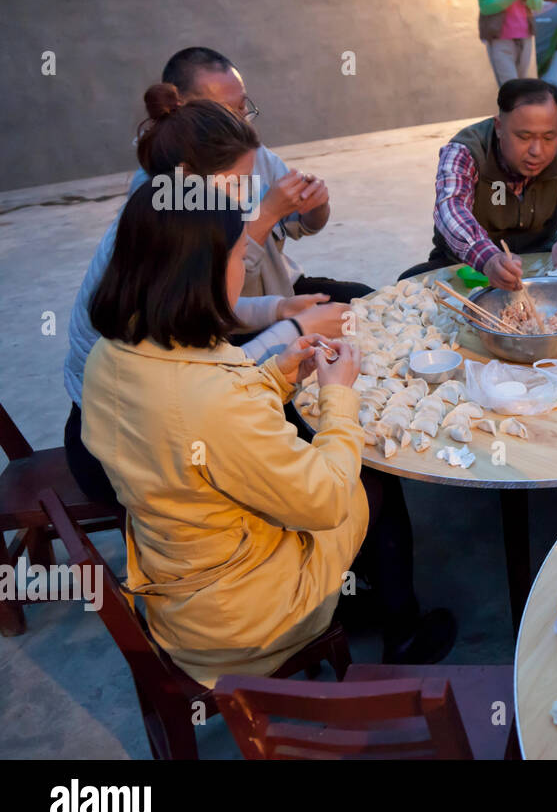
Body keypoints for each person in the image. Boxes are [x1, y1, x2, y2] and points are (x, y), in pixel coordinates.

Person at [80, 85, 454, 682]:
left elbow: (196, 423)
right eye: (237, 257)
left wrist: (276, 376)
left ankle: (363, 598)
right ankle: (383, 622)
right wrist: (339, 396)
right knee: (368, 483)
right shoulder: (210, 402)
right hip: (243, 622)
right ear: (199, 276)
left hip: (179, 588)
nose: (243, 268)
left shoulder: (113, 354)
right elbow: (323, 499)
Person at [64, 82, 349, 504]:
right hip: (136, 454)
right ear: (187, 176)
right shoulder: (169, 240)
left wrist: (279, 310)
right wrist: (292, 331)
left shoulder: (174, 221)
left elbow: (212, 323)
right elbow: (209, 391)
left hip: (144, 425)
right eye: (236, 185)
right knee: (344, 479)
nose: (246, 197)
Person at [159, 47, 372, 303]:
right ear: (182, 110)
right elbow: (213, 297)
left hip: (276, 290)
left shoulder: (251, 152)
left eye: (242, 107)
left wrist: (315, 205)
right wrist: (268, 212)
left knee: (366, 302)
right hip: (218, 314)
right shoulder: (164, 184)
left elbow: (303, 224)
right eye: (227, 112)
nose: (242, 122)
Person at [398, 78, 557, 288]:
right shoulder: (466, 150)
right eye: (524, 137)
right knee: (410, 283)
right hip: (468, 265)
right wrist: (486, 257)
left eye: (549, 137)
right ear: (499, 127)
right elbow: (450, 209)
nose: (537, 151)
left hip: (540, 256)